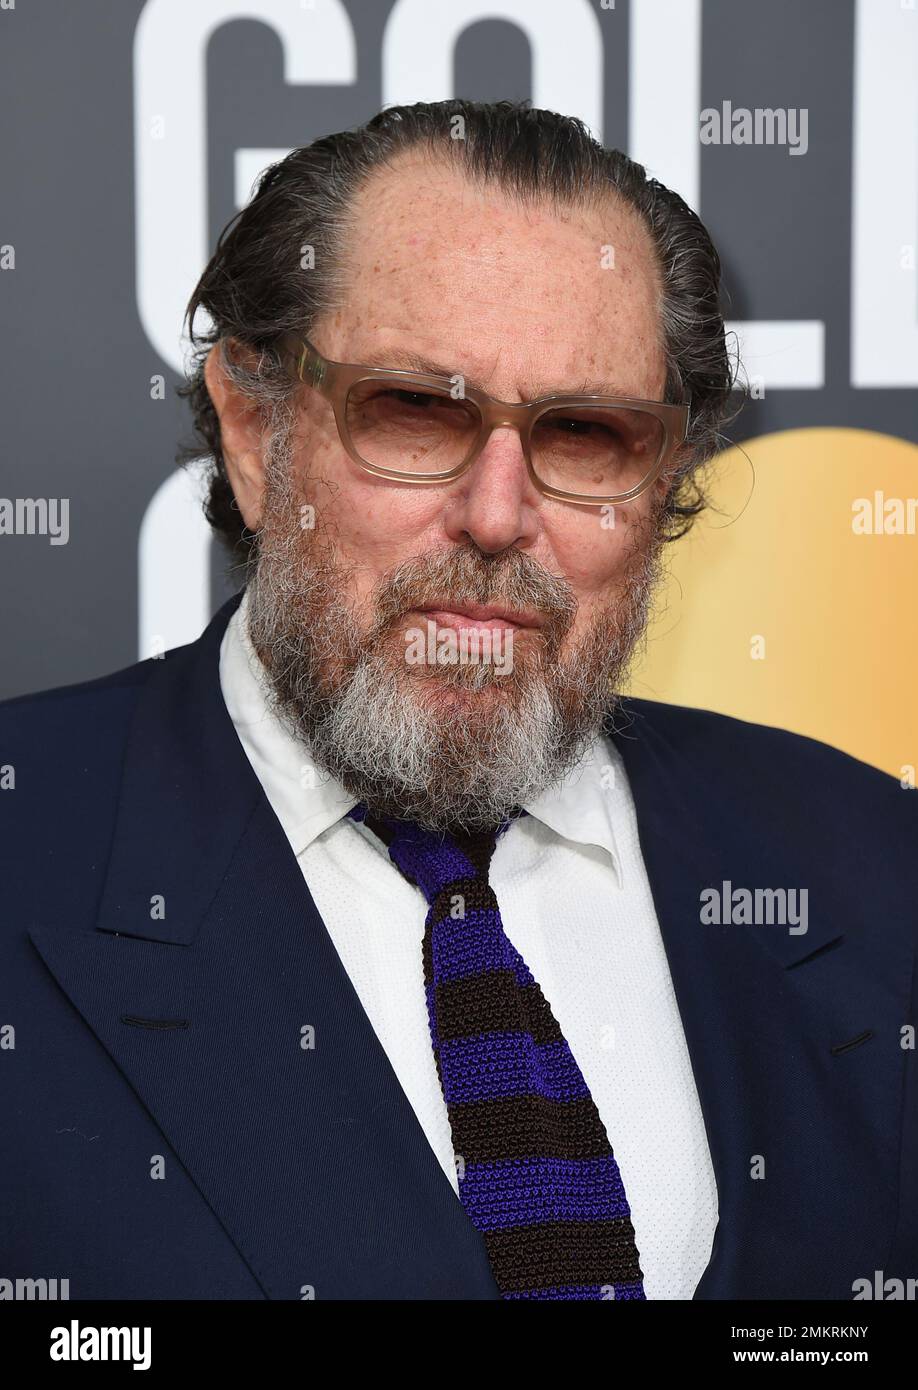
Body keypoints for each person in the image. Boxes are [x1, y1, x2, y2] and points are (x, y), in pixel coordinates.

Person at [2, 100, 914, 1302]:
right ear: (254, 433)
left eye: (586, 432)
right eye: (415, 412)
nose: (495, 516)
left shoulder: (868, 861)